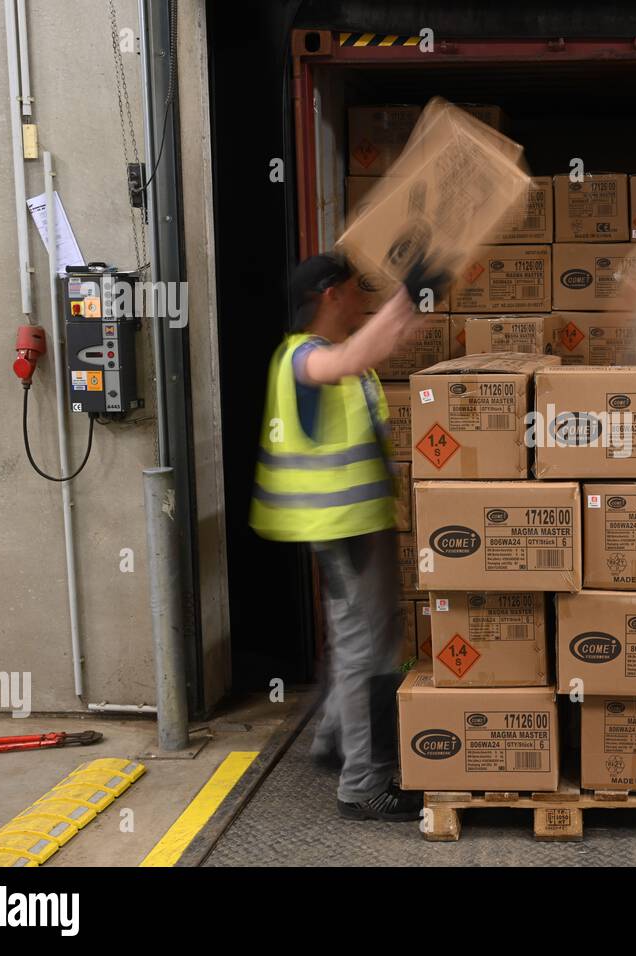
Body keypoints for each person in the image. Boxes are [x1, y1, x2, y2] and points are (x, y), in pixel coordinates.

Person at [249, 252, 441, 821]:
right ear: (330, 294)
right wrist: (406, 297)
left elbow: (376, 346)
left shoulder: (338, 358)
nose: (366, 299)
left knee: (361, 641)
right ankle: (364, 785)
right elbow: (357, 354)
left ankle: (334, 739)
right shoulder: (304, 358)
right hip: (344, 531)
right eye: (358, 289)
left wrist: (418, 303)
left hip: (359, 527)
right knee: (370, 653)